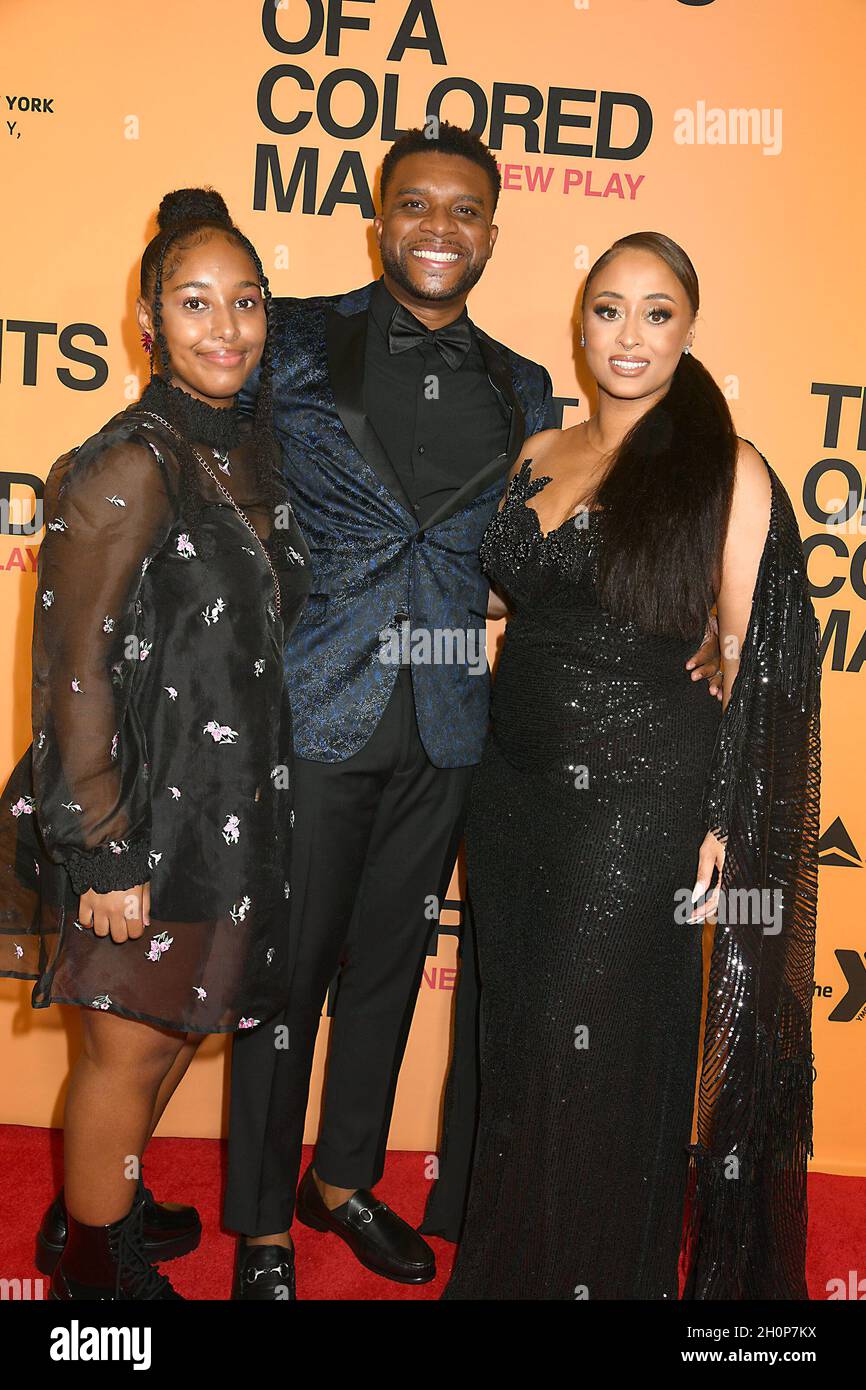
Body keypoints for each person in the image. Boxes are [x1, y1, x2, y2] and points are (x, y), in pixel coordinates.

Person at [223, 125, 721, 1300]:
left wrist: (690, 620)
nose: (438, 228)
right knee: (282, 984)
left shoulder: (523, 389)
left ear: (492, 232)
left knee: (390, 971)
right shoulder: (291, 333)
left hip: (456, 728)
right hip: (311, 704)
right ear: (378, 219)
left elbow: (560, 550)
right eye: (416, 205)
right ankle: (260, 1229)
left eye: (463, 210)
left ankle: (342, 1184)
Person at [441, 232, 821, 1300]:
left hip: (639, 803)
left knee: (593, 1053)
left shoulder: (726, 466)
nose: (629, 334)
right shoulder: (538, 452)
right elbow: (510, 602)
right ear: (579, 322)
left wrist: (723, 815)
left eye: (656, 312)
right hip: (511, 795)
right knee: (520, 1045)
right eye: (609, 309)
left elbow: (761, 655)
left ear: (689, 328)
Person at [0, 188, 310, 1300]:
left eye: (245, 302)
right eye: (193, 303)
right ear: (146, 321)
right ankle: (96, 1277)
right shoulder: (127, 465)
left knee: (171, 1035)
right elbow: (71, 668)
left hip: (224, 812)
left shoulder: (238, 451)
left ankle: (103, 1207)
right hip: (138, 819)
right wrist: (105, 851)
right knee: (125, 1052)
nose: (223, 327)